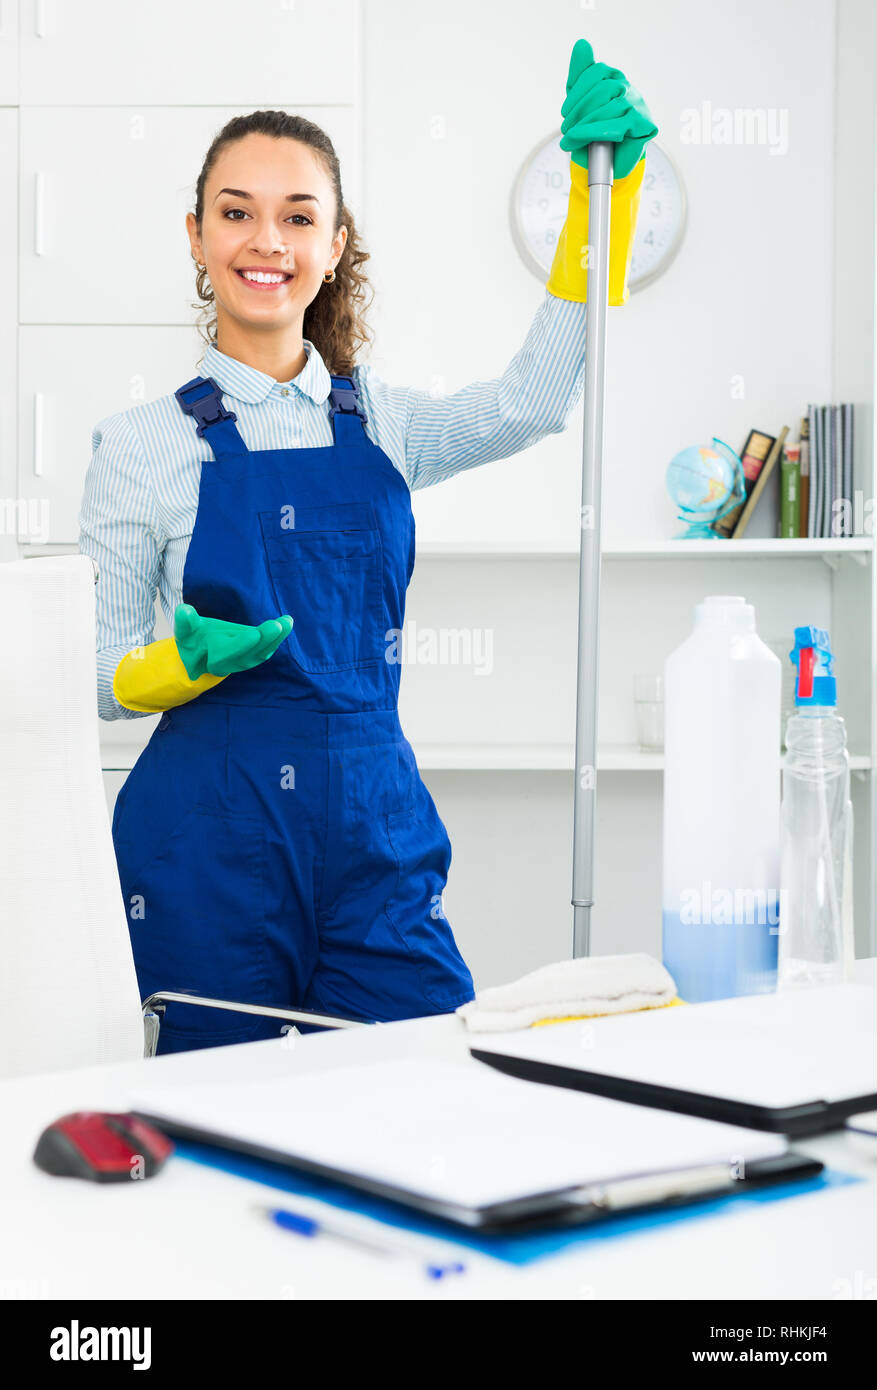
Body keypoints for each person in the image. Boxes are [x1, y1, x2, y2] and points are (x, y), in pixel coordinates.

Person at [79, 39, 656, 1054]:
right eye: (237, 211)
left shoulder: (381, 422)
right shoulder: (139, 445)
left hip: (372, 842)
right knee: (218, 1127)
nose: (268, 240)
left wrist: (594, 209)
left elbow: (529, 403)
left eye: (298, 216)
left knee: (432, 1079)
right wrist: (174, 667)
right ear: (197, 234)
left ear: (335, 243)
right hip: (205, 852)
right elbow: (90, 673)